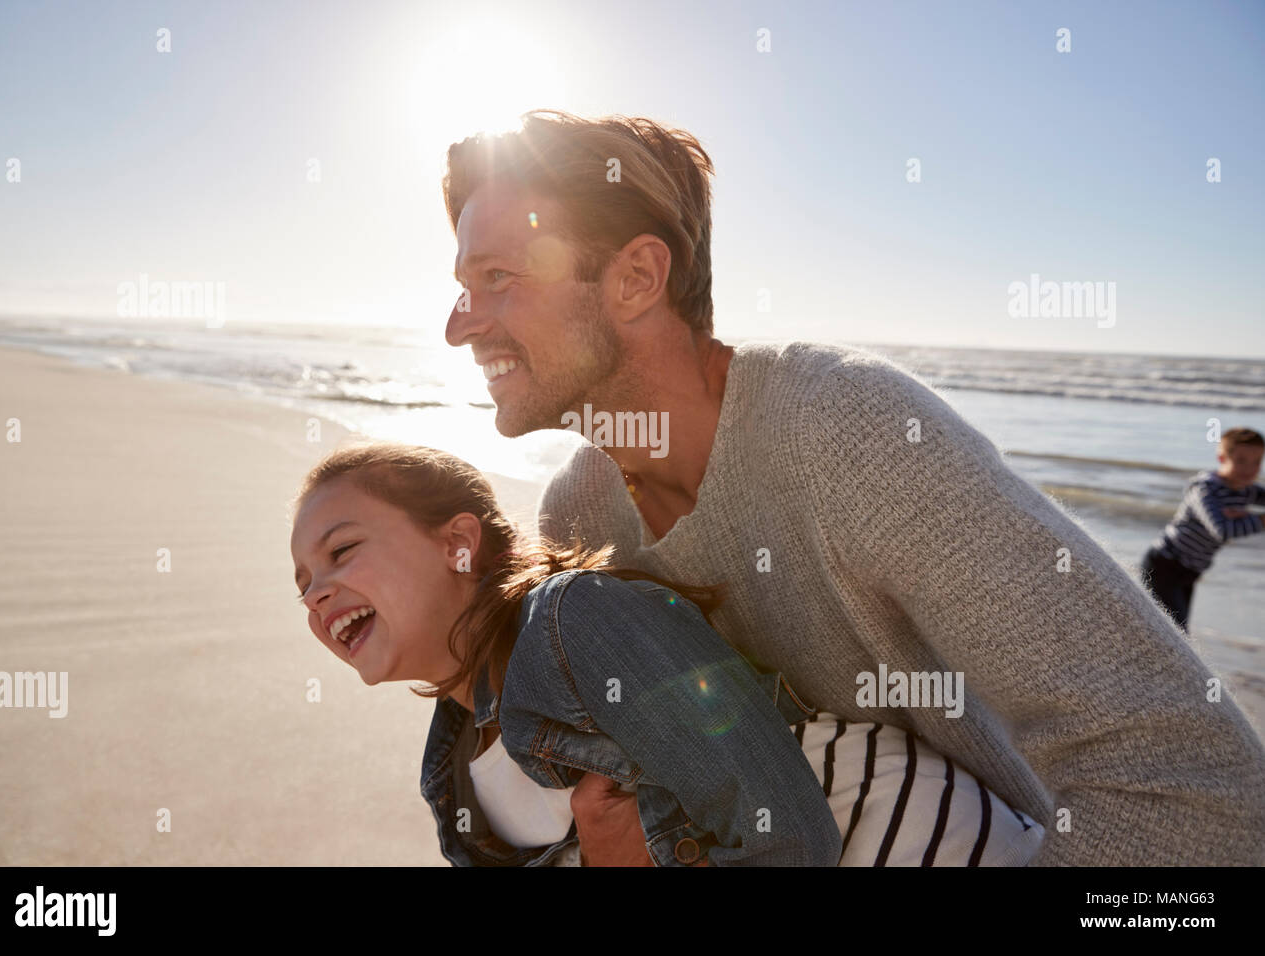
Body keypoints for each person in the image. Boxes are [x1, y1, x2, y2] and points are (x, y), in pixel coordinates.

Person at [441, 109, 1265, 866]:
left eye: (499, 276)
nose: (458, 323)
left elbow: (1190, 785)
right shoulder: (579, 515)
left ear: (635, 277)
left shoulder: (844, 431)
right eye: (462, 286)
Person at [288, 440, 1043, 865]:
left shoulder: (575, 624)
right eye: (303, 584)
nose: (318, 593)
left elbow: (791, 838)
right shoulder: (449, 785)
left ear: (457, 545)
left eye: (341, 551)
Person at [1139, 427, 1265, 633]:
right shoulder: (1205, 490)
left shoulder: (1247, 490)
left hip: (1191, 571)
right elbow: (1223, 530)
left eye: (1257, 462)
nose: (1249, 469)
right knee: (1174, 634)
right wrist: (1259, 519)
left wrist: (1248, 517)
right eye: (1241, 461)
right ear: (1222, 458)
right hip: (1165, 565)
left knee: (1177, 631)